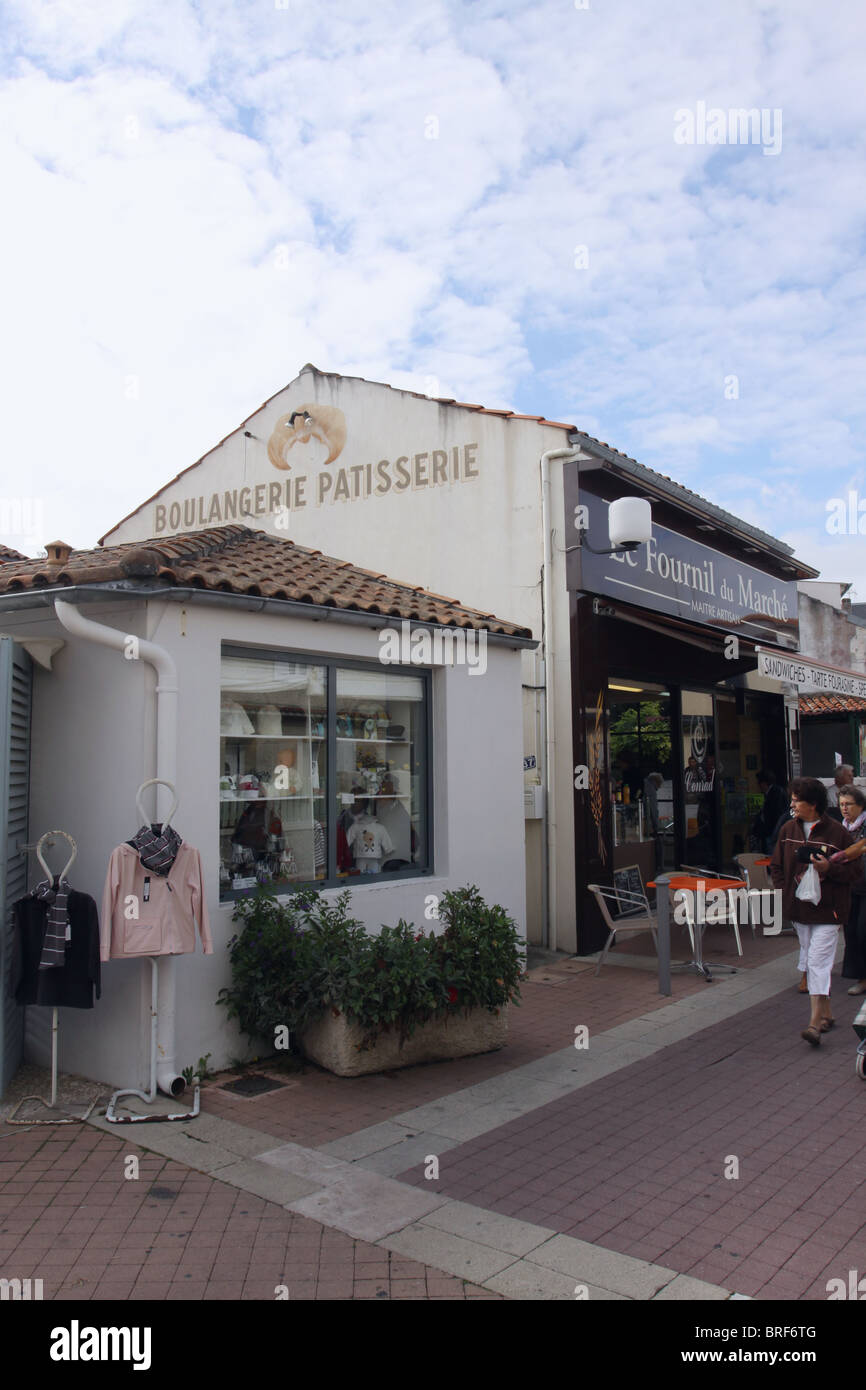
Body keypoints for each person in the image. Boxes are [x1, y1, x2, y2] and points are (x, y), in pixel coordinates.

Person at [770, 777, 858, 1045]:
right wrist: (786, 890)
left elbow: (855, 871)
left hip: (828, 911)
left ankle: (814, 1023)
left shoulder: (837, 834)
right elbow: (776, 866)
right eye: (792, 799)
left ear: (814, 804)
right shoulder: (787, 829)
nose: (792, 804)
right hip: (799, 910)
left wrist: (829, 869)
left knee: (818, 963)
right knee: (810, 959)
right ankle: (827, 1013)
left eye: (797, 800)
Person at [832, 786, 866, 996]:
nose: (844, 808)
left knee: (863, 931)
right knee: (852, 933)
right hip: (850, 886)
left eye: (848, 804)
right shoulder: (841, 828)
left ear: (860, 805)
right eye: (841, 804)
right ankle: (861, 977)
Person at [751, 770, 789, 852]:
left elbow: (776, 815)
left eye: (759, 783)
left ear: (764, 783)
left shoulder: (775, 793)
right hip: (771, 831)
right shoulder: (772, 793)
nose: (758, 786)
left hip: (773, 832)